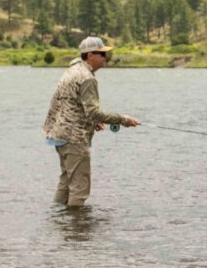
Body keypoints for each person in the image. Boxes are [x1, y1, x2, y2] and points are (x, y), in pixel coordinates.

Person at [42, 36, 139, 207]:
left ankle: (59, 221)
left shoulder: (72, 70)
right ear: (90, 56)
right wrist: (123, 119)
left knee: (66, 182)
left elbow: (70, 102)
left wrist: (92, 122)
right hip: (74, 138)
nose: (105, 58)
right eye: (102, 54)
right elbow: (93, 112)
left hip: (59, 134)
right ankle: (77, 229)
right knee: (80, 188)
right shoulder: (87, 78)